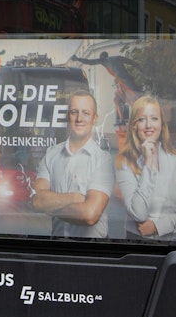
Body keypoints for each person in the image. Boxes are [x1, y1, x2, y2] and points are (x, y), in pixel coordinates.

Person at [115, 96, 176, 240]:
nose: (148, 125)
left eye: (154, 118)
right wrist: (148, 164)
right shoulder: (124, 162)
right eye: (142, 119)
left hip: (173, 244)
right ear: (134, 126)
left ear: (162, 124)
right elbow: (138, 214)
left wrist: (158, 226)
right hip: (138, 244)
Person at [31, 91, 115, 238]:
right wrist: (75, 198)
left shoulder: (103, 160)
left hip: (93, 248)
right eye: (74, 112)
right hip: (57, 245)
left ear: (95, 118)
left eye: (86, 113)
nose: (79, 119)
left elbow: (90, 215)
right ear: (68, 116)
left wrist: (50, 204)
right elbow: (37, 201)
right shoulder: (51, 154)